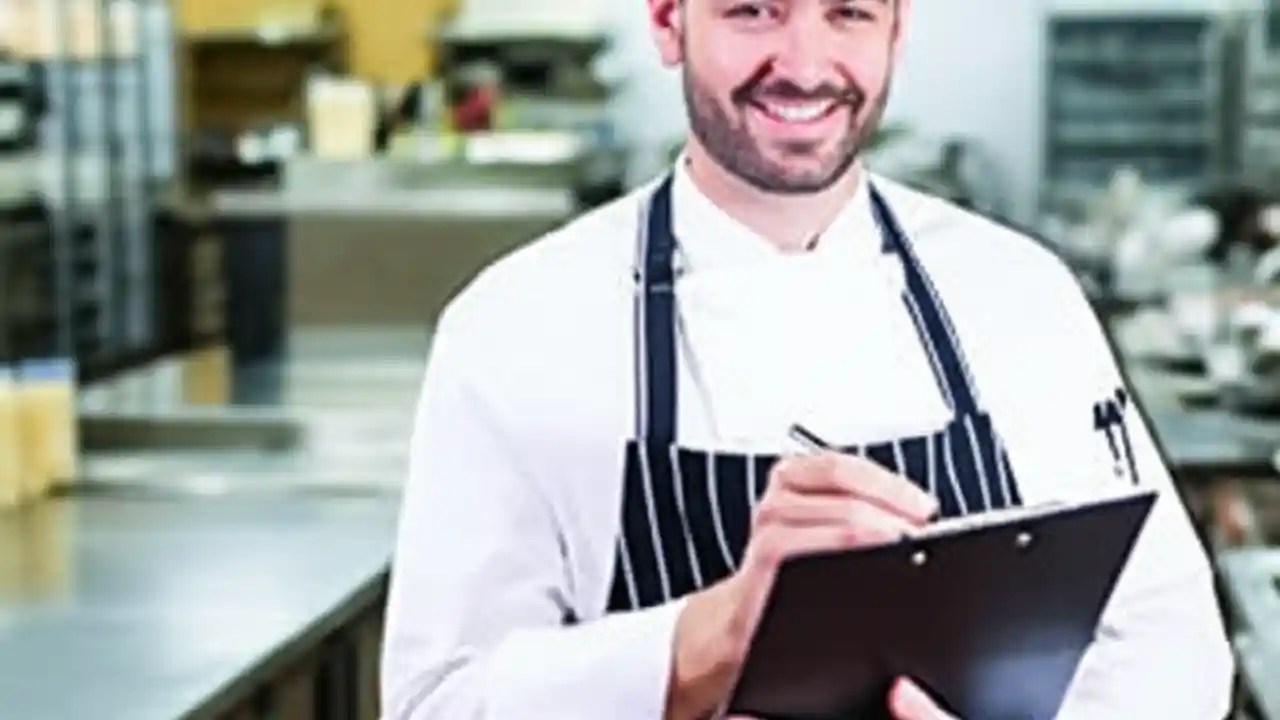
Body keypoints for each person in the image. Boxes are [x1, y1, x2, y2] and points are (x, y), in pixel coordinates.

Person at [380, 1, 1234, 718]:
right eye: (755, 9)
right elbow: (436, 704)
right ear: (670, 19)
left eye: (848, 12)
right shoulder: (517, 326)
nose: (804, 63)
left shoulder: (1019, 296)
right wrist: (700, 644)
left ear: (897, 27)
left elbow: (1170, 641)